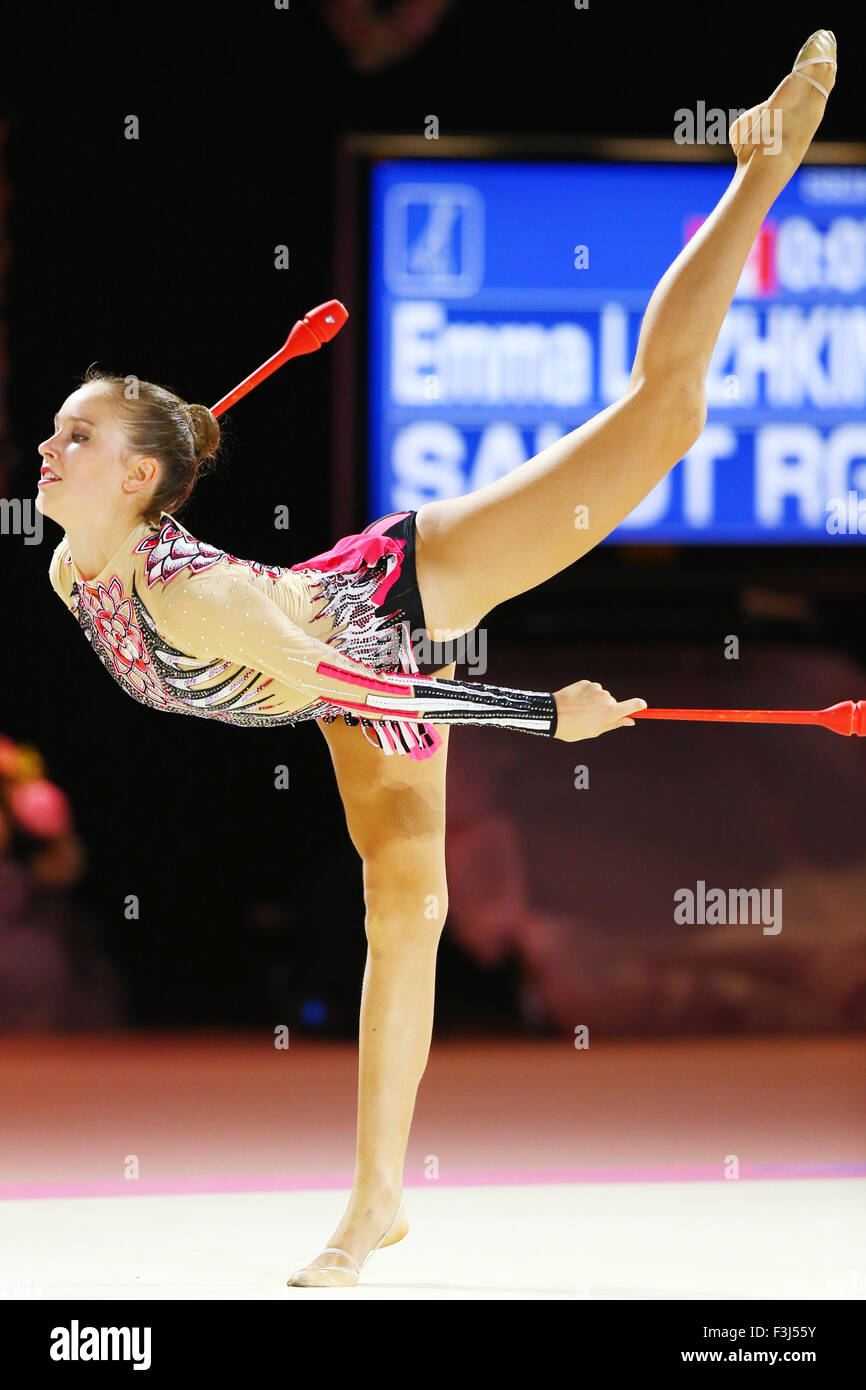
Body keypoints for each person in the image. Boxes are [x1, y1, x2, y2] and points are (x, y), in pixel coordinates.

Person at [37, 31, 837, 1284]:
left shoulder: (192, 601)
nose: (46, 450)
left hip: (388, 611)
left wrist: (543, 715)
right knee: (402, 909)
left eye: (71, 437)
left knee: (663, 419)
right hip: (328, 643)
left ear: (138, 477)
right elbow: (303, 664)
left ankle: (755, 169)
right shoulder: (74, 562)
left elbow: (371, 684)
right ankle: (380, 1205)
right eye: (51, 432)